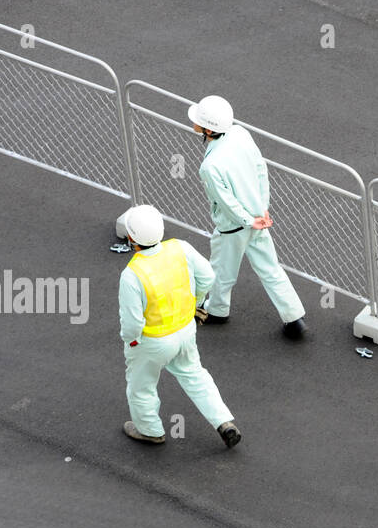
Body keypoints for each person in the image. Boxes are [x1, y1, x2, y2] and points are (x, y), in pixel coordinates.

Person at [118, 204, 241, 449]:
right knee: (196, 376)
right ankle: (224, 421)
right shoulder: (180, 248)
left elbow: (132, 322)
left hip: (152, 341)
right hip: (185, 330)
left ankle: (149, 430)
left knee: (142, 387)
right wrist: (195, 304)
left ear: (132, 238)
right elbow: (207, 277)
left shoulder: (131, 274)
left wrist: (130, 341)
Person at [188, 94, 307, 338]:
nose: (194, 123)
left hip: (234, 227)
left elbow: (226, 202)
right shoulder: (241, 134)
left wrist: (247, 220)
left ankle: (217, 311)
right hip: (257, 217)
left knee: (222, 271)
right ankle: (294, 318)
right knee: (270, 269)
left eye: (198, 121)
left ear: (208, 130)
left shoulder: (210, 167)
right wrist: (262, 209)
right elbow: (260, 168)